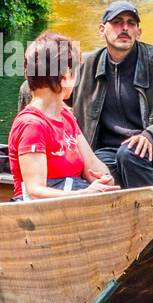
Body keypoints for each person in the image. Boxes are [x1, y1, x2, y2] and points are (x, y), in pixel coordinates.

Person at [21, 1, 153, 189]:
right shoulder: (86, 67)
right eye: (117, 22)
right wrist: (36, 134)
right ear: (102, 29)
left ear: (138, 32)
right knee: (95, 171)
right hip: (105, 154)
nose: (124, 28)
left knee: (130, 153)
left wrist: (152, 135)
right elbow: (34, 87)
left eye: (131, 23)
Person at [8, 31, 118, 201]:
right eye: (76, 73)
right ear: (66, 76)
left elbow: (92, 163)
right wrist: (85, 193)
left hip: (72, 205)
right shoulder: (32, 125)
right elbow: (35, 192)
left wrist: (104, 178)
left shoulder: (65, 114)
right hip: (42, 216)